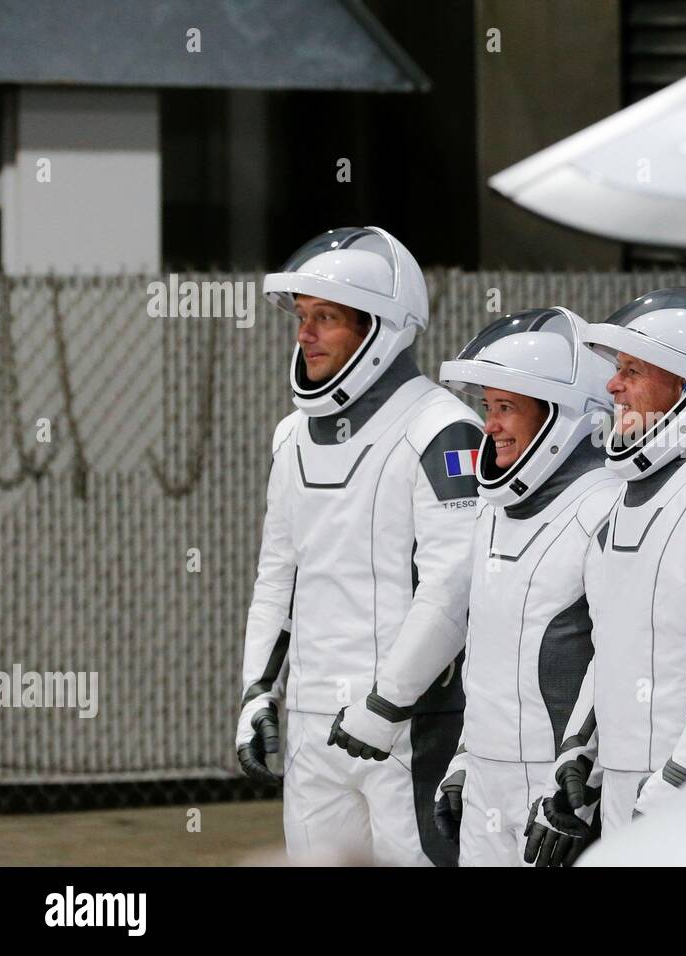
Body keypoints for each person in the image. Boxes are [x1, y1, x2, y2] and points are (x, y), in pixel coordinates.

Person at [235, 226, 481, 866]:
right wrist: (258, 691)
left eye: (326, 318)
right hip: (315, 731)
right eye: (302, 317)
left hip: (410, 729)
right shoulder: (291, 437)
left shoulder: (442, 428)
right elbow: (277, 576)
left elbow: (454, 587)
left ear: (379, 328)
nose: (304, 334)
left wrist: (386, 705)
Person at [524, 287, 686, 863]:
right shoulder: (630, 494)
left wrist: (677, 780)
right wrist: (577, 751)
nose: (612, 386)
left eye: (632, 371)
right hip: (625, 792)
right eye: (617, 371)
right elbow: (611, 644)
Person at [428, 308, 619, 867]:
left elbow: (615, 658)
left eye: (507, 408)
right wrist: (466, 758)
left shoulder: (604, 506)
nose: (489, 424)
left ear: (562, 417)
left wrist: (581, 786)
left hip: (558, 787)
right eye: (488, 407)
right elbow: (485, 651)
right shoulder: (490, 513)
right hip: (487, 780)